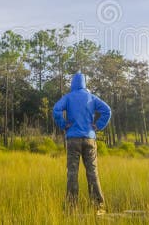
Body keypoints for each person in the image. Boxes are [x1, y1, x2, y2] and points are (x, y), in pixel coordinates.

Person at [53, 72, 111, 214]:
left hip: (73, 139)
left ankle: (72, 207)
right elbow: (107, 110)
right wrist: (98, 125)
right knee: (92, 172)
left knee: (72, 173)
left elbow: (56, 109)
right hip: (90, 138)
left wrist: (63, 124)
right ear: (84, 83)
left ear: (73, 83)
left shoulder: (68, 97)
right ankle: (99, 207)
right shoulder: (91, 97)